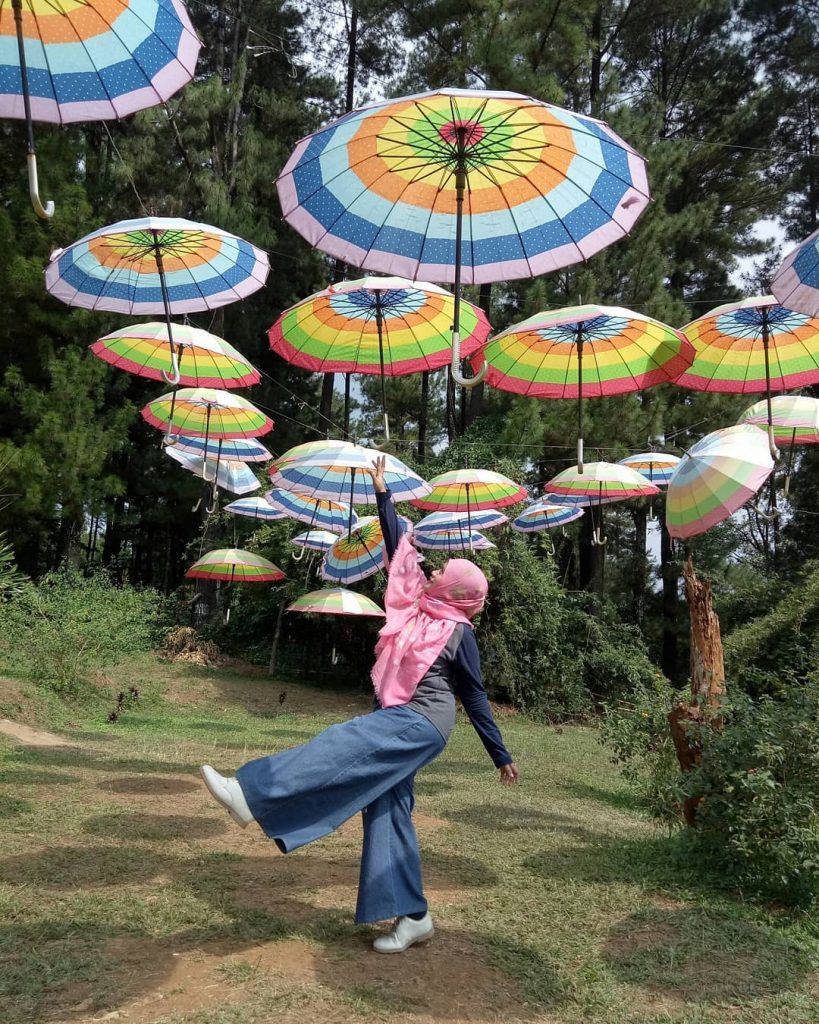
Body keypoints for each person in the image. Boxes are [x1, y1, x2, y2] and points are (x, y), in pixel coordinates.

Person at [200, 456, 519, 953]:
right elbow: (399, 551)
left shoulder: (457, 630)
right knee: (386, 808)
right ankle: (415, 916)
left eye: (445, 572)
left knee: (343, 741)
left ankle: (251, 793)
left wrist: (499, 753)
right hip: (402, 718)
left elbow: (474, 693)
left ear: (456, 591)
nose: (434, 571)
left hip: (421, 722)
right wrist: (383, 495)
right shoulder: (418, 606)